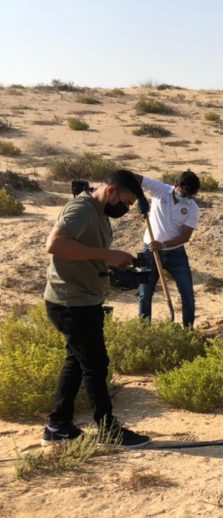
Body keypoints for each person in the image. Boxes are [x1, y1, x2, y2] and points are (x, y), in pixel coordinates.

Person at [42, 170, 151, 448]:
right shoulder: (82, 208)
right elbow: (54, 244)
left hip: (81, 298)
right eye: (125, 202)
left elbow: (84, 249)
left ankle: (58, 425)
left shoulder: (99, 210)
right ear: (112, 191)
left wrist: (113, 263)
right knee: (95, 364)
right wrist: (107, 255)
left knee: (77, 362)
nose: (125, 209)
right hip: (71, 302)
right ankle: (108, 430)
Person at [135, 170, 200, 328]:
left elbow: (185, 237)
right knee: (145, 293)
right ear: (176, 185)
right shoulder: (160, 190)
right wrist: (140, 198)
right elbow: (134, 178)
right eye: (184, 193)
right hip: (150, 251)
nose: (186, 198)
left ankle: (188, 330)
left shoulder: (192, 208)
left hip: (176, 254)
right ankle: (143, 330)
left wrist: (163, 245)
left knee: (188, 294)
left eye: (190, 195)